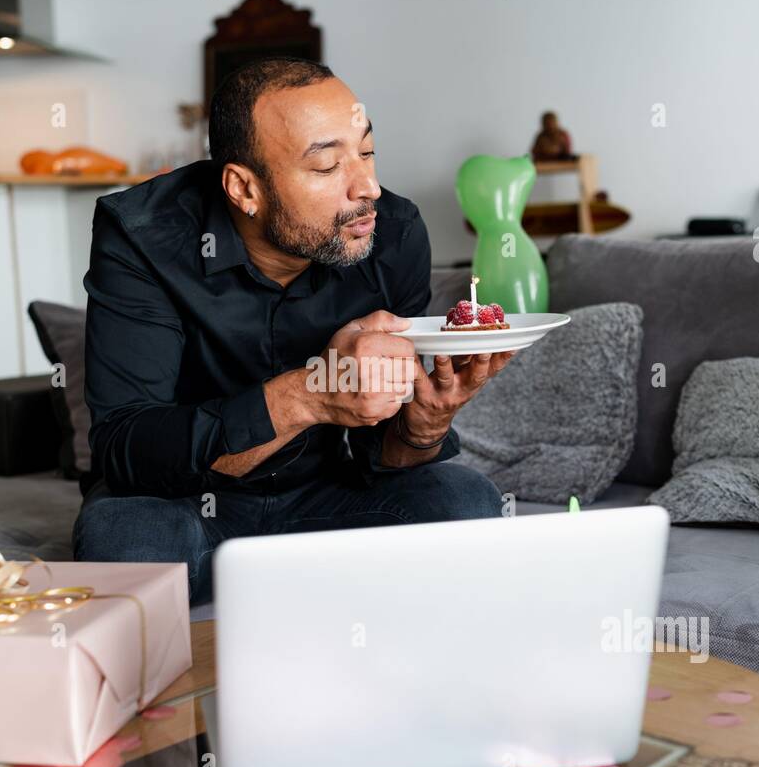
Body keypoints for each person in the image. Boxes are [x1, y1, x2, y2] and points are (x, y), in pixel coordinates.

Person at [74, 56, 514, 603]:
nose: (369, 188)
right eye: (327, 167)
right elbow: (127, 452)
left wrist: (421, 428)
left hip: (328, 496)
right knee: (126, 542)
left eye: (367, 152)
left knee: (466, 502)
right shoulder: (143, 235)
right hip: (184, 501)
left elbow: (381, 456)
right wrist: (309, 395)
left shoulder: (393, 234)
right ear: (244, 189)